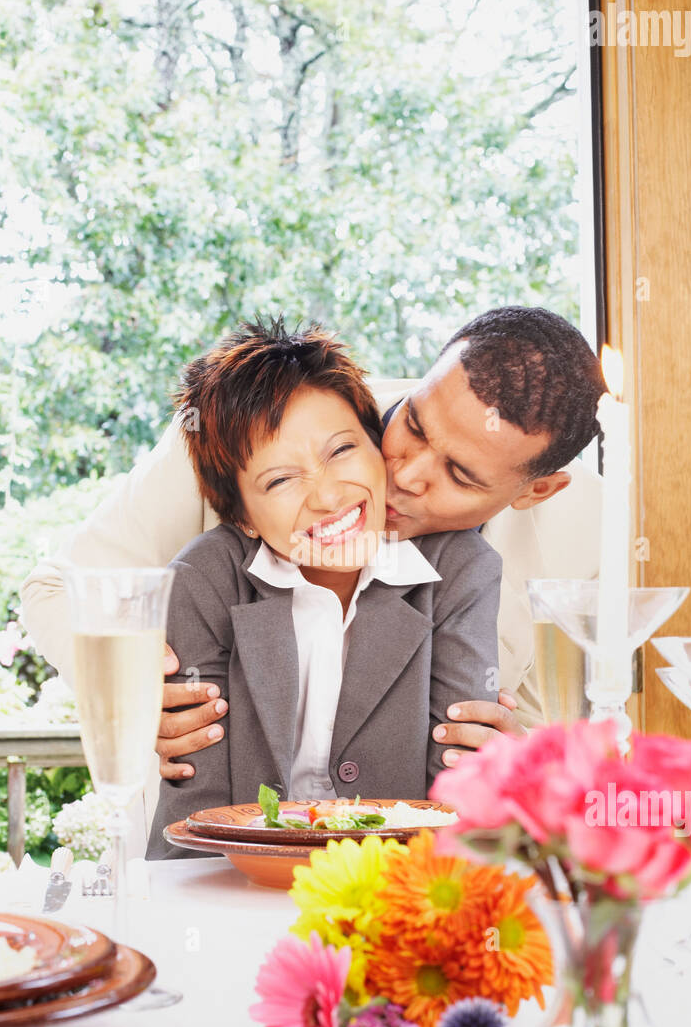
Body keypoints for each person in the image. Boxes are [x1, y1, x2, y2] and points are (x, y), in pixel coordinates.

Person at [20, 304, 604, 846]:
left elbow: (541, 731)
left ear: (535, 491)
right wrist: (139, 690)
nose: (405, 475)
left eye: (459, 475)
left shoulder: (581, 535)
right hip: (210, 851)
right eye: (416, 427)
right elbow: (53, 591)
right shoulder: (252, 425)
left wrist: (516, 763)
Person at [147, 320, 501, 858]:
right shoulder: (205, 580)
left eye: (341, 451)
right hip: (238, 883)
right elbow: (199, 815)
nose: (328, 495)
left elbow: (453, 799)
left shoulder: (460, 570)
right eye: (280, 480)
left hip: (398, 886)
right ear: (242, 516)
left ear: (375, 444)